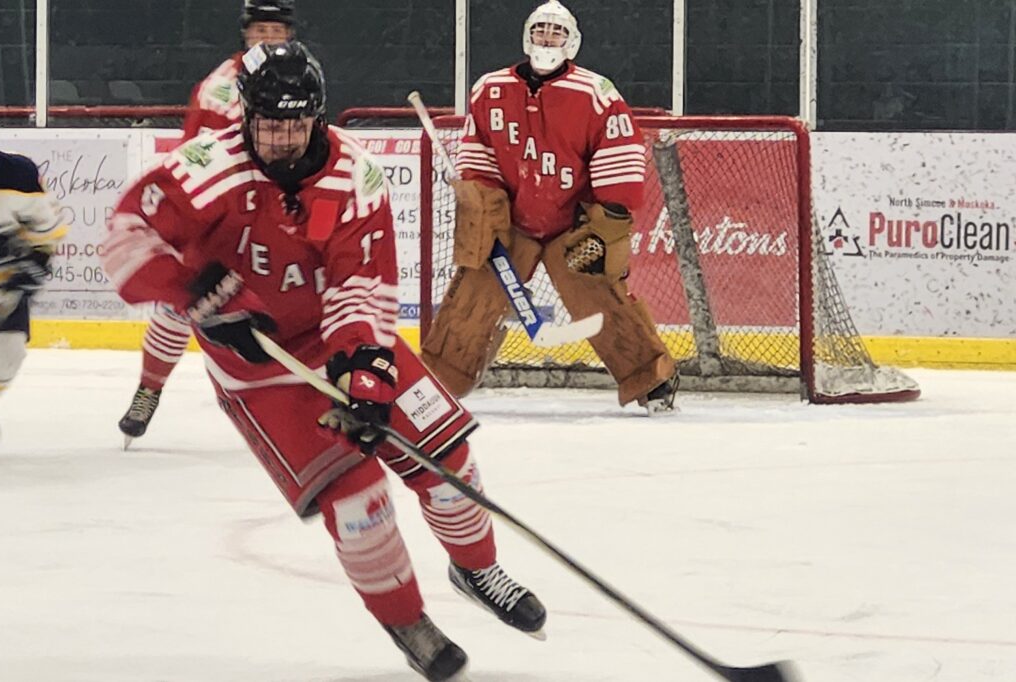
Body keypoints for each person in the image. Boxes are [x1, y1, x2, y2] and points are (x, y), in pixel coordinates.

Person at [102, 42, 545, 681]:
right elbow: (125, 236)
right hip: (260, 372)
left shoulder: (355, 174)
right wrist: (194, 294)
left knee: (451, 463)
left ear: (318, 115)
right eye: (268, 122)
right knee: (360, 501)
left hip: (341, 336)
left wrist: (364, 379)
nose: (281, 138)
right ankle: (407, 619)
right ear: (246, 115)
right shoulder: (204, 167)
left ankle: (478, 569)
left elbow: (361, 287)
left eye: (296, 121)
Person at [421, 0, 678, 415]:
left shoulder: (596, 92)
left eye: (556, 32)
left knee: (602, 298)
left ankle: (654, 380)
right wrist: (482, 204)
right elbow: (478, 152)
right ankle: (438, 381)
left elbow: (620, 149)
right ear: (528, 37)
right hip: (511, 224)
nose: (547, 38)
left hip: (570, 226)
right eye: (540, 30)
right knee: (472, 296)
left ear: (571, 41)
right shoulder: (490, 88)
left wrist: (610, 214)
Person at [118, 0, 297, 447]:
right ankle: (149, 388)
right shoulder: (219, 89)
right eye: (261, 31)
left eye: (276, 31)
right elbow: (196, 159)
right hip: (222, 211)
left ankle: (288, 407)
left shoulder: (300, 77)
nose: (269, 39)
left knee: (291, 304)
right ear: (246, 35)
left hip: (274, 211)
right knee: (185, 302)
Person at [0, 148, 69, 446]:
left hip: (3, 287)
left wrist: (31, 270)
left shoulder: (19, 176)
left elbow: (47, 233)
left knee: (8, 354)